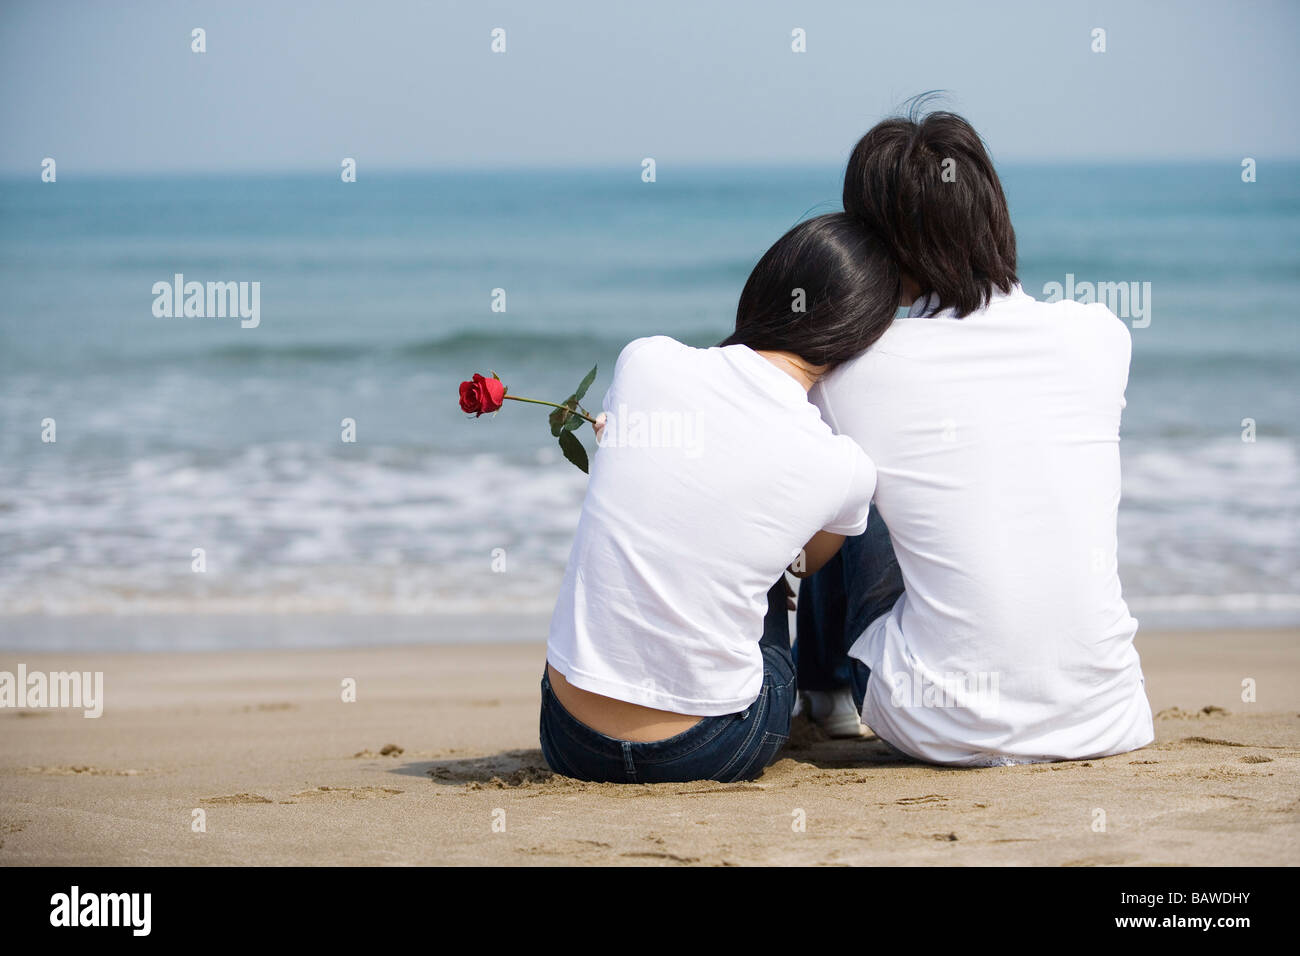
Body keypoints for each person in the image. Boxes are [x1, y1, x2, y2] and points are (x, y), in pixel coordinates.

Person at [794, 106, 1155, 765]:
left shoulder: (857, 369)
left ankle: (821, 691)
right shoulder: (1100, 334)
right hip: (1107, 713)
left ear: (874, 247)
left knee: (845, 476)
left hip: (932, 720)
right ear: (993, 211)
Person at [539, 213, 900, 783]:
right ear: (860, 340)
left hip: (568, 737)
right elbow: (802, 565)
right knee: (810, 541)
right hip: (709, 746)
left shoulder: (646, 360)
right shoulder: (839, 464)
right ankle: (832, 694)